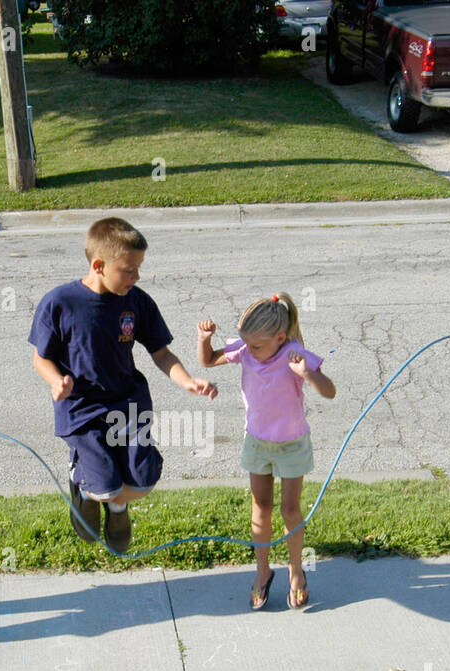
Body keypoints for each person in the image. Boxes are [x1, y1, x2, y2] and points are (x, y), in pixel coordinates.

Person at [29, 217, 217, 551]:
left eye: (139, 268)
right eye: (129, 269)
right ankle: (84, 483)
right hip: (82, 410)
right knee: (103, 484)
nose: (136, 276)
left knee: (143, 480)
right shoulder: (60, 303)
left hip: (128, 404)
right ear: (98, 265)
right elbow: (40, 358)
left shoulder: (136, 302)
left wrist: (186, 380)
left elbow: (160, 353)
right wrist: (56, 381)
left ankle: (117, 505)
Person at [197, 293, 336, 609]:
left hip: (291, 444)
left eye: (258, 346)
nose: (251, 351)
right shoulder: (247, 348)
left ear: (281, 338)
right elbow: (208, 360)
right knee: (260, 505)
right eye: (248, 345)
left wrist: (308, 375)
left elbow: (330, 392)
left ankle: (296, 570)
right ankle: (262, 571)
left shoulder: (293, 355)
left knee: (290, 510)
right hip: (257, 442)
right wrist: (205, 339)